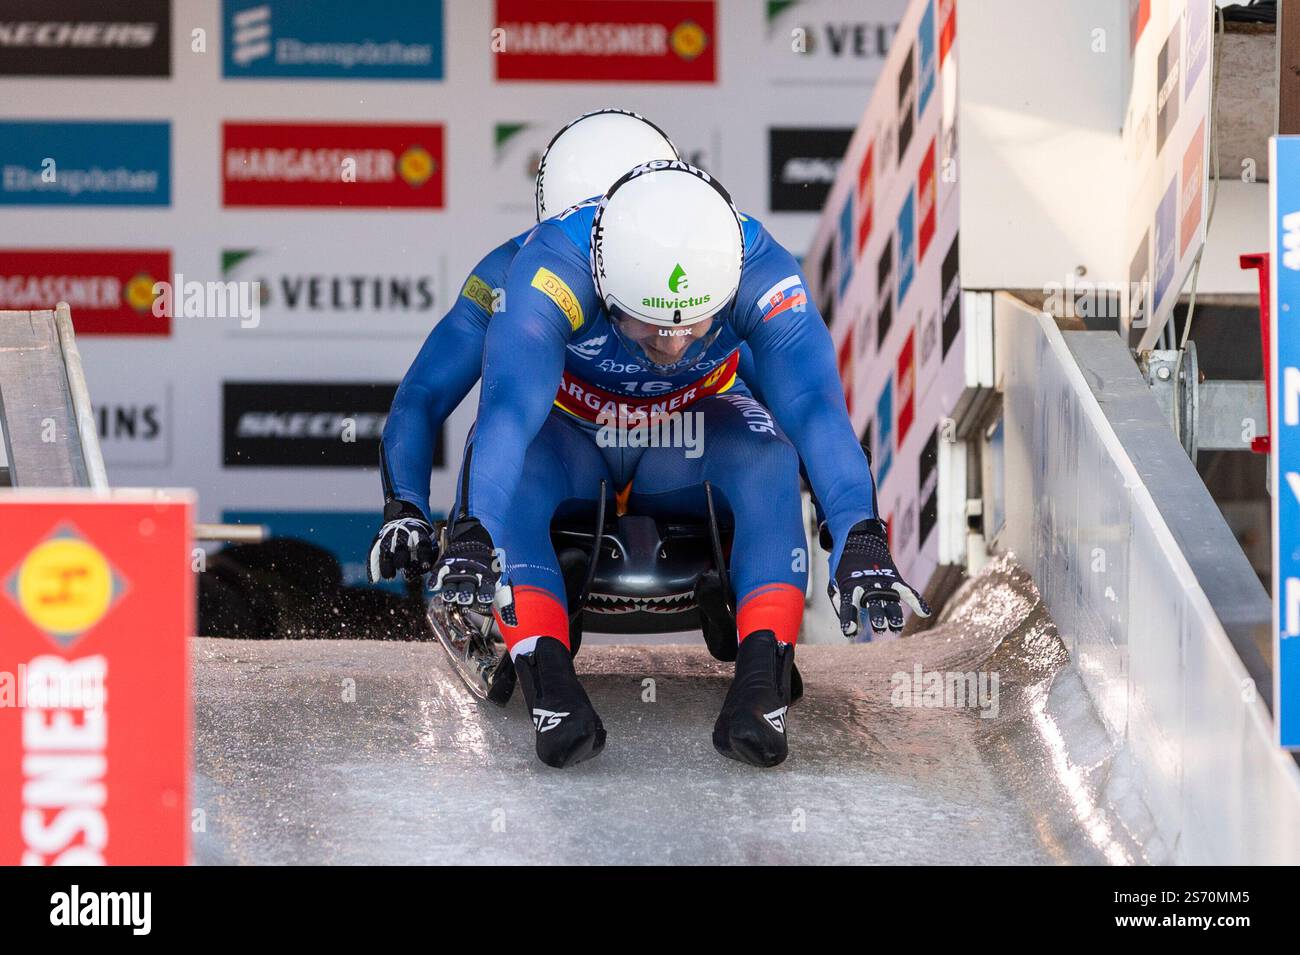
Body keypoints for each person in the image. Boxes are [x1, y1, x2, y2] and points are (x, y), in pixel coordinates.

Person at [431, 160, 929, 771]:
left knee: (769, 455)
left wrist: (859, 531)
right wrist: (473, 526)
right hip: (570, 442)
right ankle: (550, 685)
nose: (670, 345)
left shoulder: (762, 272)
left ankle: (760, 685)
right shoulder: (550, 271)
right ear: (604, 282)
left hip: (684, 436)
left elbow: (814, 407)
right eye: (648, 324)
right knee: (517, 466)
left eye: (691, 325)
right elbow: (507, 410)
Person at [368, 108, 680, 583]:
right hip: (567, 461)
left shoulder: (709, 278)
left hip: (679, 451)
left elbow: (789, 393)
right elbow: (425, 394)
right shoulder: (503, 276)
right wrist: (405, 507)